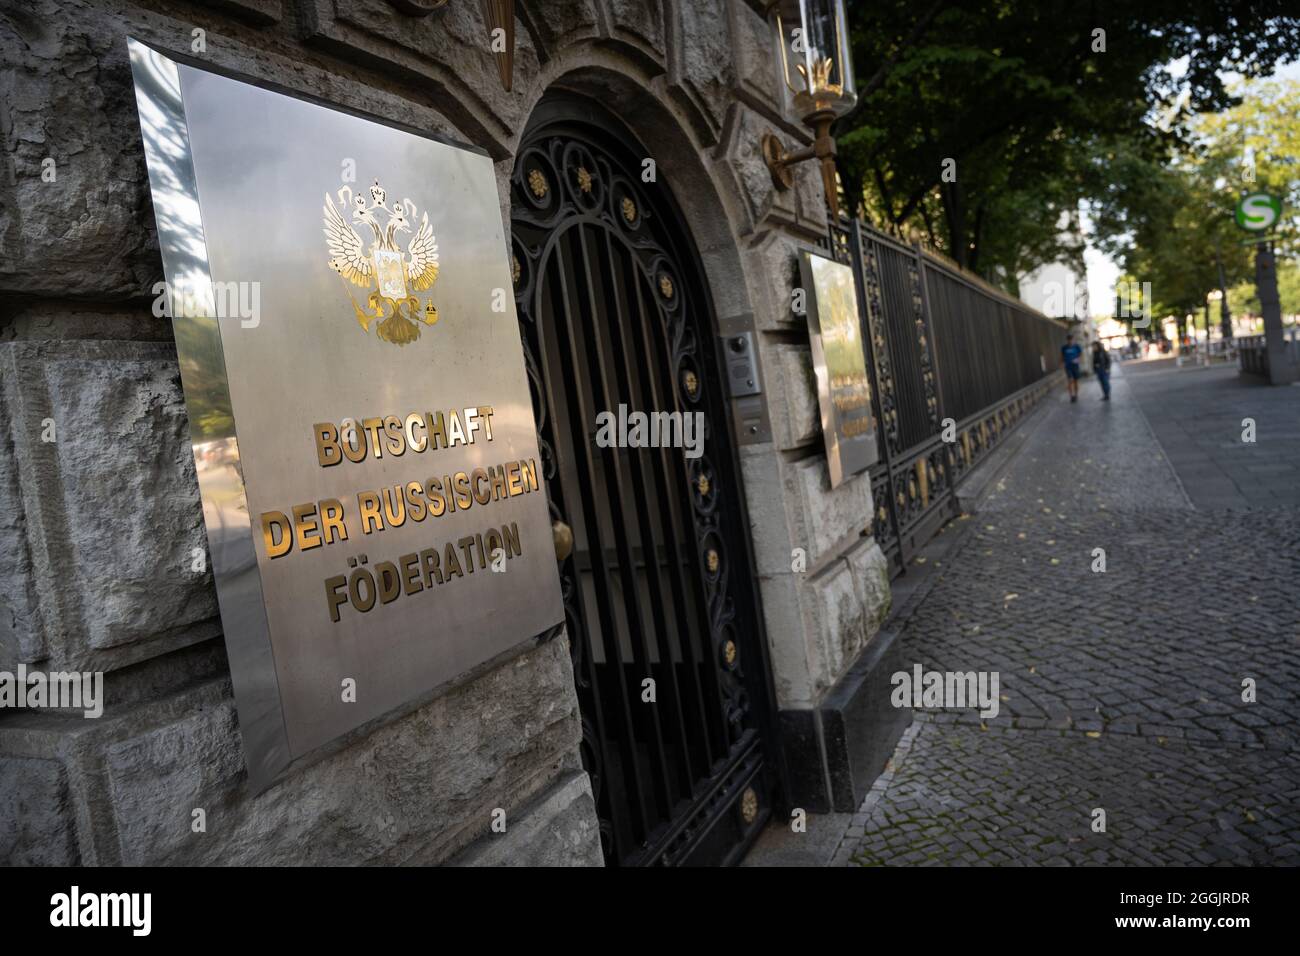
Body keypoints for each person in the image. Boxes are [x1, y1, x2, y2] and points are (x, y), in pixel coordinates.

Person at [1061, 334, 1083, 403]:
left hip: (1075, 366)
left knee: (1076, 381)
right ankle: (1071, 396)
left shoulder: (1077, 346)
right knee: (1070, 380)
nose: (1070, 341)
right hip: (1068, 366)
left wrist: (1078, 360)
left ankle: (1076, 395)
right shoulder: (1064, 348)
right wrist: (1062, 364)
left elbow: (1081, 355)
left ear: (1073, 340)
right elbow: (1062, 356)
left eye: (1072, 340)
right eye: (1069, 340)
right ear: (1067, 340)